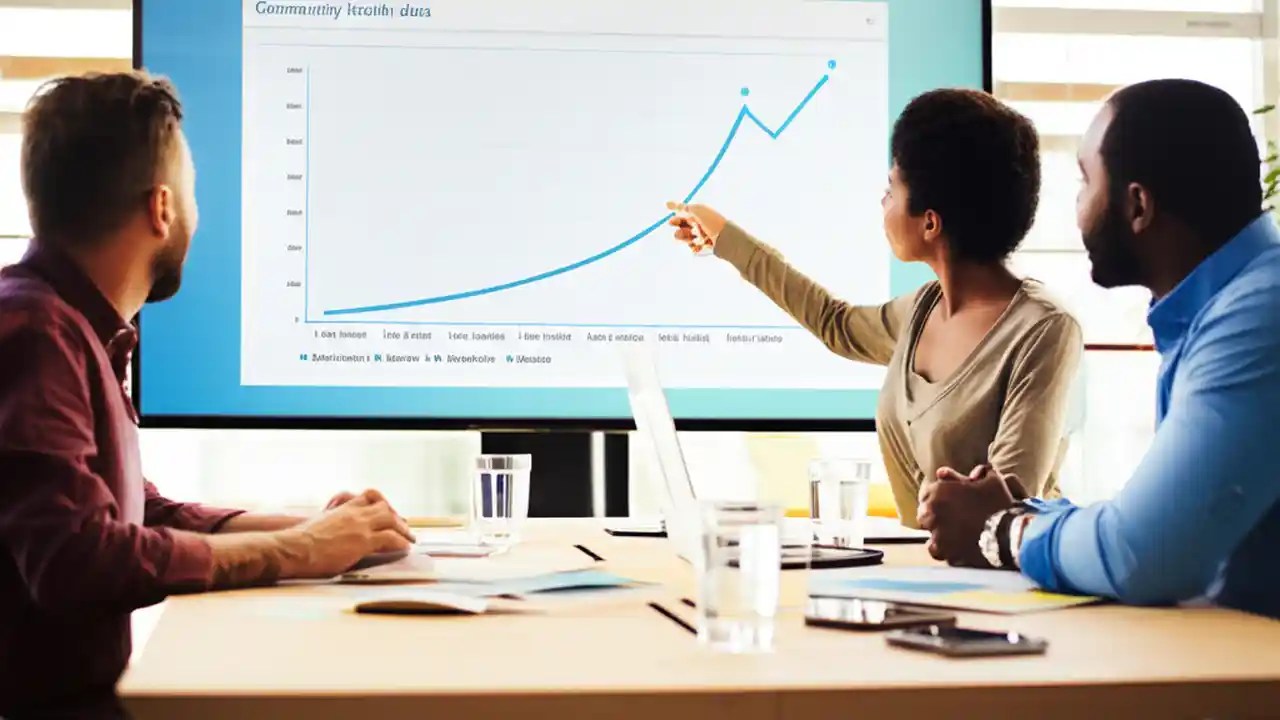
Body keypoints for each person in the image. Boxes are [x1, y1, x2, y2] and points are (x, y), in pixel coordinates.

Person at [0, 71, 417, 717]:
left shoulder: (68, 325)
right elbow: (77, 559)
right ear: (162, 208)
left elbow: (133, 514)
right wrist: (300, 551)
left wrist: (325, 530)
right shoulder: (35, 331)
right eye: (194, 195)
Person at [919, 79, 1280, 619]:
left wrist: (1005, 532)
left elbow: (1147, 554)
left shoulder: (1258, 317)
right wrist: (1025, 513)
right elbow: (1162, 524)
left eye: (1086, 181)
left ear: (1138, 205)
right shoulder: (1229, 305)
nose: (1079, 209)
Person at [667, 88, 1083, 526]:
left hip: (1003, 587)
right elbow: (836, 324)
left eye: (891, 188)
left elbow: (1012, 501)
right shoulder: (923, 310)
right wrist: (726, 239)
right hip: (925, 577)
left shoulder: (1044, 329)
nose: (882, 202)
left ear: (930, 221)